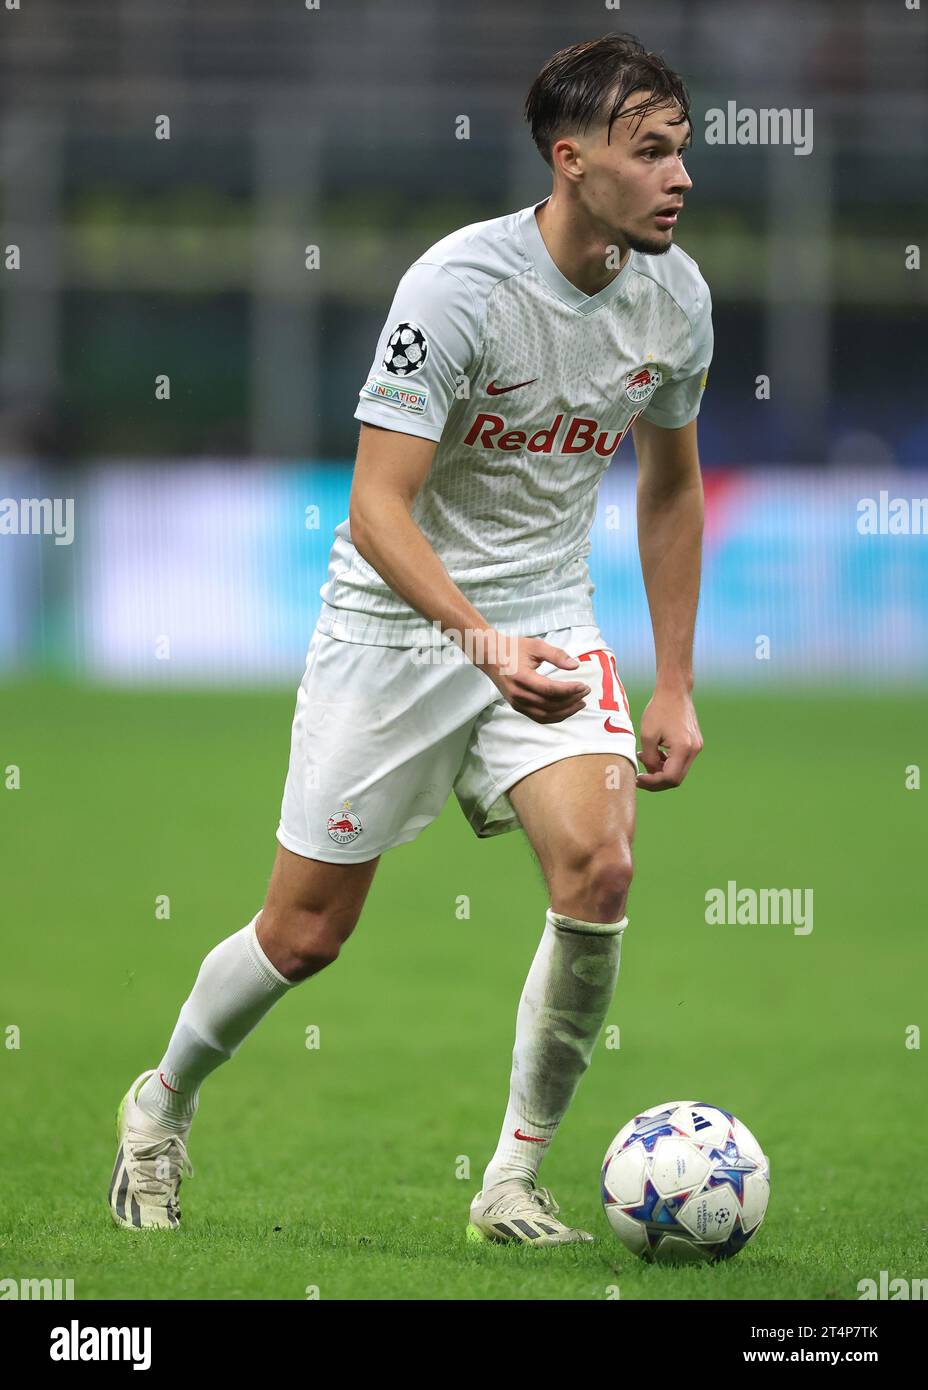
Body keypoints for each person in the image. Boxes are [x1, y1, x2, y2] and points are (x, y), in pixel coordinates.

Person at [108, 31, 711, 1245]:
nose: (680, 177)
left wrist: (676, 685)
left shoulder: (676, 297)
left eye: (683, 150)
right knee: (306, 933)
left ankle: (508, 1181)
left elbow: (671, 487)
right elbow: (376, 506)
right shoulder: (459, 288)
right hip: (397, 624)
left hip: (544, 614)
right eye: (651, 153)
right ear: (571, 159)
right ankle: (158, 1107)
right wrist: (476, 641)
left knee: (600, 870)